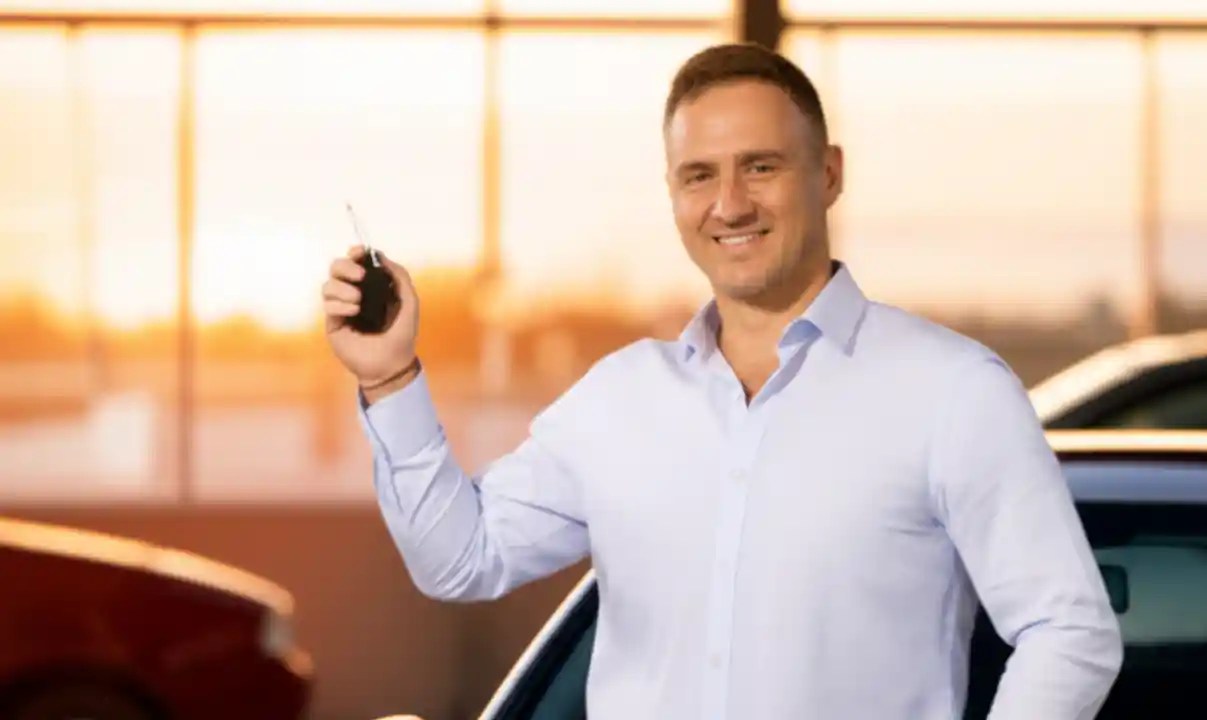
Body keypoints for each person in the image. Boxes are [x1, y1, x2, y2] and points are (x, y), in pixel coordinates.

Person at [321, 42, 1123, 720]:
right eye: (698, 175)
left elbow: (1069, 630)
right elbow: (462, 559)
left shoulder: (952, 392)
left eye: (761, 166)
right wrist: (390, 378)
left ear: (831, 174)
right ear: (673, 193)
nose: (729, 203)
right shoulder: (620, 400)